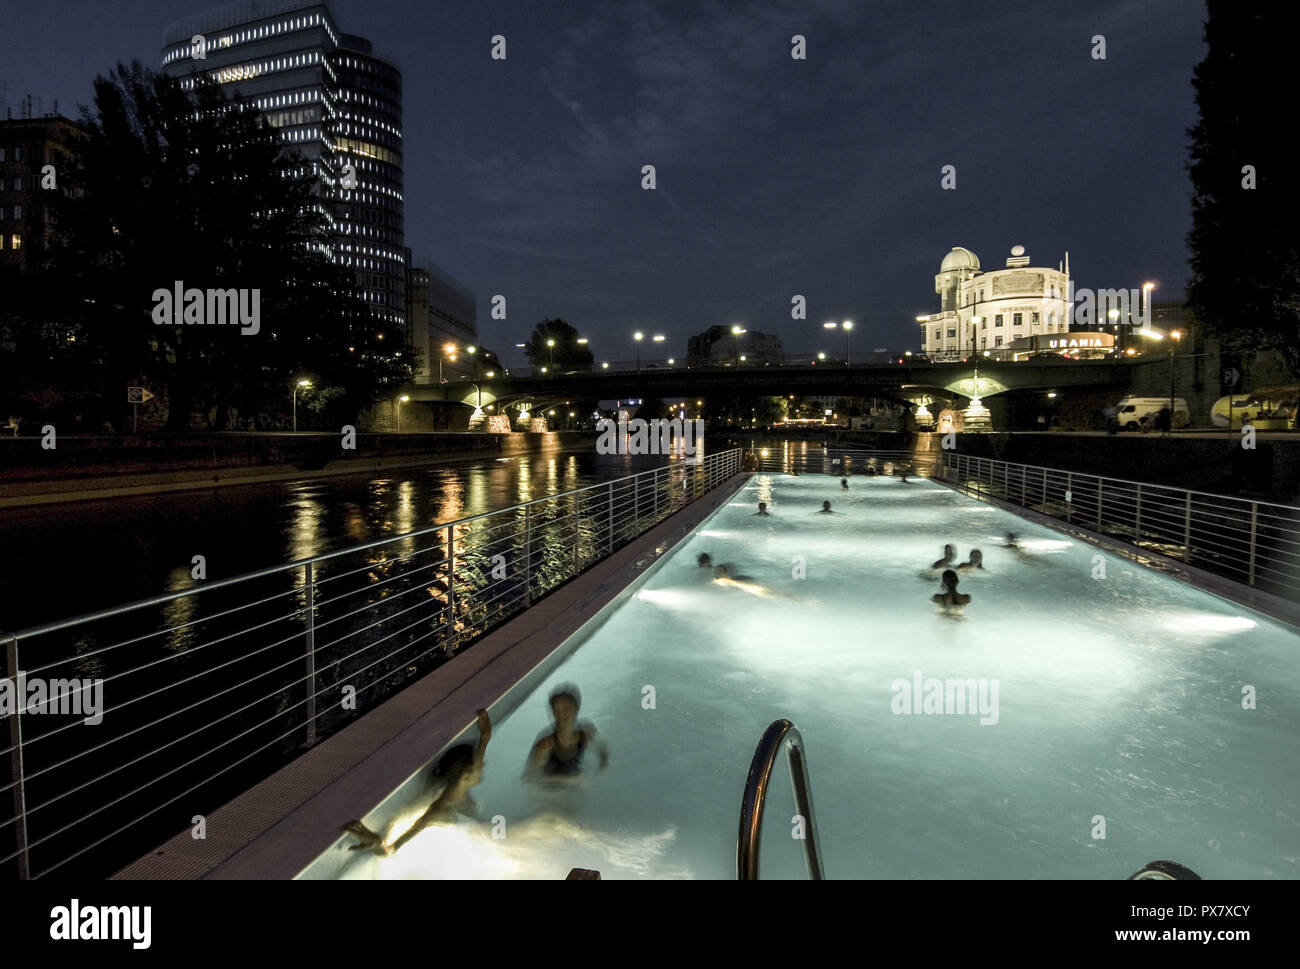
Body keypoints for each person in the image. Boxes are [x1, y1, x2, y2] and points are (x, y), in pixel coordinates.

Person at [340, 708, 492, 855]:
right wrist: (377, 842)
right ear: (465, 776)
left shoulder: (463, 779)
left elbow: (481, 748)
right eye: (479, 766)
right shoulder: (439, 811)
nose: (483, 765)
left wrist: (486, 735)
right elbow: (392, 849)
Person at [525, 686, 608, 780]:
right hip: (548, 790)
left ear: (576, 710)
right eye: (557, 710)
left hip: (574, 782)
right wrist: (567, 781)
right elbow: (530, 777)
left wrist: (604, 766)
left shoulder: (584, 733)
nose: (561, 714)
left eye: (566, 709)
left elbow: (602, 749)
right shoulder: (546, 743)